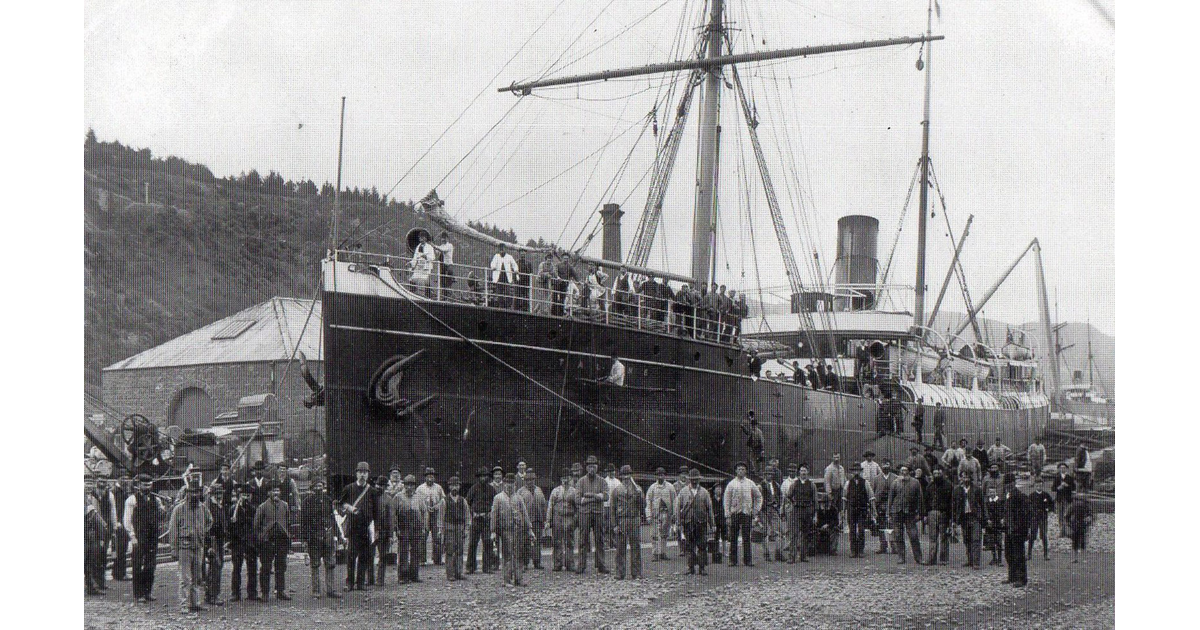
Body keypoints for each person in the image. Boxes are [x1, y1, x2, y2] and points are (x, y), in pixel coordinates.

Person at [169, 476, 214, 613]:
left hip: (198, 546)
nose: (194, 495)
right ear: (187, 493)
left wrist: (202, 531)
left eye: (196, 492)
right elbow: (173, 529)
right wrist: (174, 548)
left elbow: (210, 521)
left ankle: (195, 603)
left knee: (197, 577)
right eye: (191, 492)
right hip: (184, 547)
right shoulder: (179, 509)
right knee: (185, 578)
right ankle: (184, 604)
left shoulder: (203, 508)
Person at [300, 478, 343, 598]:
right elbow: (303, 522)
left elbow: (332, 518)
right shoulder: (306, 502)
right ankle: (316, 591)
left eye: (320, 486)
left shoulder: (328, 500)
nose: (318, 488)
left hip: (328, 537)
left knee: (330, 564)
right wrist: (305, 539)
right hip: (314, 538)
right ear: (312, 488)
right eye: (316, 486)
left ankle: (331, 590)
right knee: (315, 564)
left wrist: (338, 535)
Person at [124, 473, 162, 603]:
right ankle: (138, 594)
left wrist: (163, 509)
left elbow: (160, 516)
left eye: (149, 485)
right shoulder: (132, 500)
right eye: (145, 485)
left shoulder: (156, 500)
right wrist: (132, 536)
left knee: (150, 565)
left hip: (152, 537)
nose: (147, 487)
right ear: (139, 485)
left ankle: (147, 592)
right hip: (139, 536)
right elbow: (127, 520)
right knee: (137, 565)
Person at [491, 473, 534, 587]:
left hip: (518, 530)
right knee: (507, 555)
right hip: (505, 531)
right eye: (507, 483)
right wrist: (493, 531)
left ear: (515, 484)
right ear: (504, 484)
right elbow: (494, 515)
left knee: (519, 555)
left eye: (511, 483)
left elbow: (524, 514)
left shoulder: (519, 498)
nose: (509, 485)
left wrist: (529, 529)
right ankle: (507, 580)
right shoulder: (498, 498)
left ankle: (518, 579)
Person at [339, 461, 377, 590]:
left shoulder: (372, 491)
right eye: (360, 472)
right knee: (351, 556)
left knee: (364, 556)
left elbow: (376, 511)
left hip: (366, 528)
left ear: (368, 474)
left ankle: (360, 583)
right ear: (356, 473)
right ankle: (349, 583)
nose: (362, 475)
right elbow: (340, 503)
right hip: (353, 528)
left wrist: (375, 529)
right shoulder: (349, 488)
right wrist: (349, 507)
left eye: (365, 472)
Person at [253, 484, 291, 602]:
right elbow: (256, 525)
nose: (276, 493)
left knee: (281, 566)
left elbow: (288, 522)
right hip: (267, 541)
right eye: (273, 491)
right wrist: (261, 538)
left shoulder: (285, 505)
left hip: (281, 540)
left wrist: (287, 535)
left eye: (277, 490)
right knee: (266, 567)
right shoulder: (262, 507)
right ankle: (265, 593)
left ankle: (280, 591)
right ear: (269, 493)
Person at [608, 465, 645, 580]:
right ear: (621, 476)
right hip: (622, 520)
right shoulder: (616, 490)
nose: (626, 477)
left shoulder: (637, 489)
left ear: (631, 475)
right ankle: (620, 572)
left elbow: (643, 506)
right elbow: (612, 509)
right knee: (620, 547)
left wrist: (640, 495)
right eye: (624, 475)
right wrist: (614, 525)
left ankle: (636, 572)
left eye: (628, 475)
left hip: (634, 519)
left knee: (636, 546)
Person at [676, 469, 715, 575]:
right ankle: (691, 567)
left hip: (701, 522)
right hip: (688, 522)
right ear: (689, 479)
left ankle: (702, 567)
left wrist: (712, 524)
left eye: (696, 479)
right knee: (689, 546)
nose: (694, 481)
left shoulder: (704, 492)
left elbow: (709, 508)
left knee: (702, 545)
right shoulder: (683, 492)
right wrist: (678, 523)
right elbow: (678, 508)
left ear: (699, 480)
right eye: (692, 479)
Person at [725, 462, 763, 567]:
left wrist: (756, 510)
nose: (741, 471)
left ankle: (748, 560)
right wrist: (727, 515)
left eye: (743, 469)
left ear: (746, 471)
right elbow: (727, 500)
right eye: (739, 469)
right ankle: (733, 560)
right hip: (735, 513)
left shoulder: (750, 483)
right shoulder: (731, 484)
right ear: (736, 471)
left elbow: (759, 496)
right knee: (733, 537)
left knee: (746, 537)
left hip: (747, 513)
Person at [576, 455, 610, 574]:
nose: (592, 469)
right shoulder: (581, 481)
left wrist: (590, 495)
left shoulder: (602, 481)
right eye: (590, 466)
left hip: (598, 513)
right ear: (586, 468)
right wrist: (597, 497)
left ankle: (601, 565)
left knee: (600, 539)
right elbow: (578, 499)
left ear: (597, 467)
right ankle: (581, 565)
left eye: (594, 467)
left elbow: (606, 496)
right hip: (584, 514)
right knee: (583, 540)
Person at [888, 465, 924, 564]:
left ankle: (918, 557)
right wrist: (889, 513)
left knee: (913, 535)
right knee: (898, 535)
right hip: (897, 512)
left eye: (906, 470)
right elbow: (890, 499)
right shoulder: (895, 483)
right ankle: (901, 557)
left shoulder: (915, 483)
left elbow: (920, 498)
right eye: (902, 471)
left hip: (910, 513)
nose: (904, 472)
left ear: (909, 472)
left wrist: (920, 512)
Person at [466, 467, 498, 574]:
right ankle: (470, 567)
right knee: (472, 543)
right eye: (481, 476)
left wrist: (490, 514)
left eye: (485, 476)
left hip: (487, 520)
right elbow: (467, 503)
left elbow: (495, 504)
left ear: (488, 477)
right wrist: (472, 513)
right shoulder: (473, 488)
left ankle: (487, 567)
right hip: (476, 520)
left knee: (488, 543)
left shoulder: (492, 489)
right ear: (479, 477)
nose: (483, 478)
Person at [227, 483, 256, 601]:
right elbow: (230, 527)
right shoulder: (233, 509)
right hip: (237, 542)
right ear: (239, 496)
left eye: (248, 495)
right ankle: (235, 592)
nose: (246, 497)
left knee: (252, 568)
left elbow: (255, 525)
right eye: (243, 495)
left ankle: (252, 592)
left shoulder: (253, 509)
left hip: (250, 542)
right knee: (236, 568)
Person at [952, 471, 986, 569]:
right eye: (963, 477)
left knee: (976, 539)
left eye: (967, 477)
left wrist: (984, 518)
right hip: (963, 517)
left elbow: (982, 504)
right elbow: (954, 506)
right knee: (967, 539)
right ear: (961, 478)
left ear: (970, 478)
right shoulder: (957, 490)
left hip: (975, 516)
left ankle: (976, 562)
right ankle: (970, 559)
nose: (965, 479)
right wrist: (954, 520)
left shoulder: (977, 489)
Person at [547, 468, 579, 572]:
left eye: (567, 478)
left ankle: (570, 563)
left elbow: (578, 507)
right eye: (563, 478)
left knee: (569, 542)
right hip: (557, 518)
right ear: (561, 479)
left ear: (571, 479)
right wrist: (548, 520)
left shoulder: (574, 491)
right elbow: (550, 506)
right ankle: (558, 563)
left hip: (569, 518)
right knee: (557, 541)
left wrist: (576, 520)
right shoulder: (556, 491)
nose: (565, 480)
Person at [395, 475, 425, 583]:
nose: (409, 487)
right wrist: (396, 528)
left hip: (416, 527)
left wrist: (423, 527)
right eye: (407, 485)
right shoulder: (398, 497)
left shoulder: (419, 497)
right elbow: (394, 514)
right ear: (404, 485)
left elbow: (424, 512)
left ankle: (414, 575)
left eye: (411, 485)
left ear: (414, 486)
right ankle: (403, 576)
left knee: (416, 551)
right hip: (403, 527)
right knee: (403, 552)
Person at [204, 479, 229, 606]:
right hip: (212, 539)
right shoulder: (208, 506)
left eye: (221, 493)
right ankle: (213, 595)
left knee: (216, 566)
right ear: (212, 493)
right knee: (215, 566)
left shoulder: (218, 505)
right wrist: (209, 545)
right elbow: (207, 526)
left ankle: (211, 594)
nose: (220, 495)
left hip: (219, 539)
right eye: (217, 493)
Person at [414, 467, 446, 566]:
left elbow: (443, 500)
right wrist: (425, 507)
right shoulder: (420, 488)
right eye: (428, 476)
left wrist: (437, 506)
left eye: (432, 476)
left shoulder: (439, 488)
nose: (430, 478)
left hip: (436, 515)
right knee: (423, 536)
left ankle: (437, 559)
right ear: (425, 477)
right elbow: (416, 500)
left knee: (437, 537)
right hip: (424, 514)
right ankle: (422, 559)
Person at [1002, 473, 1030, 587]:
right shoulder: (1007, 496)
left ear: (1014, 483)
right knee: (1009, 554)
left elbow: (1025, 515)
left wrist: (1023, 529)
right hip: (1009, 529)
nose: (1008, 485)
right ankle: (1012, 576)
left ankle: (1021, 578)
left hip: (1018, 529)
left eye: (1010, 483)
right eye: (1006, 483)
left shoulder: (1019, 496)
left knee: (1019, 555)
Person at [785, 464, 817, 563]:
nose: (803, 473)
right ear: (799, 472)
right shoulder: (794, 484)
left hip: (807, 511)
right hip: (796, 510)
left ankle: (803, 556)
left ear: (808, 472)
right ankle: (792, 556)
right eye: (802, 471)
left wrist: (814, 514)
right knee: (794, 534)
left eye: (805, 471)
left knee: (805, 534)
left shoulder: (812, 485)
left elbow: (815, 500)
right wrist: (794, 503)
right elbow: (788, 495)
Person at [843, 464, 875, 558]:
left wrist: (873, 510)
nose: (856, 472)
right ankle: (853, 550)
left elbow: (871, 497)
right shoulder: (848, 483)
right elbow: (844, 498)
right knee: (852, 530)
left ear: (860, 472)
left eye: (858, 470)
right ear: (852, 472)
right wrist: (843, 511)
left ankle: (861, 550)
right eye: (854, 471)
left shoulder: (865, 483)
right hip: (851, 509)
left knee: (861, 529)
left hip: (862, 509)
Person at [441, 476, 470, 581]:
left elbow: (467, 516)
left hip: (460, 528)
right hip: (449, 528)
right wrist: (441, 530)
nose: (454, 488)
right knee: (449, 551)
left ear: (459, 487)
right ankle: (450, 574)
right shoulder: (444, 501)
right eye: (452, 485)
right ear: (449, 487)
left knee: (460, 550)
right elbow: (441, 516)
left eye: (456, 485)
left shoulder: (463, 500)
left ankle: (459, 572)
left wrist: (466, 529)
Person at [517, 470, 547, 570]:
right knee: (525, 542)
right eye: (528, 480)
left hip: (538, 520)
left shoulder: (539, 490)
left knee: (537, 541)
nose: (530, 482)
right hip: (525, 521)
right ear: (525, 481)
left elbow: (543, 505)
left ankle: (537, 562)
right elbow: (518, 507)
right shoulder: (520, 491)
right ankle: (525, 563)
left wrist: (544, 519)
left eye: (532, 479)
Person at [645, 467, 676, 561]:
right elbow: (648, 501)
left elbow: (674, 500)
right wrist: (648, 515)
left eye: (662, 475)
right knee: (654, 534)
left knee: (664, 534)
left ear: (664, 475)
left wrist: (674, 514)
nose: (660, 477)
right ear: (656, 476)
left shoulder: (670, 487)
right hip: (655, 514)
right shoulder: (652, 487)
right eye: (658, 475)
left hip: (666, 513)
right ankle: (655, 553)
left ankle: (663, 552)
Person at [925, 467, 954, 566]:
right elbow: (926, 501)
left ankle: (943, 559)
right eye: (935, 473)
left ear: (942, 474)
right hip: (932, 513)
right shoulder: (930, 486)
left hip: (944, 514)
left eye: (939, 473)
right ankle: (932, 558)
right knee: (932, 537)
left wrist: (950, 517)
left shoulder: (948, 485)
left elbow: (951, 502)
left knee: (944, 537)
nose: (937, 475)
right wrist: (926, 514)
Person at [85, 491, 109, 596]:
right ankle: (91, 587)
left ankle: (91, 587)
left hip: (88, 538)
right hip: (87, 538)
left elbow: (100, 523)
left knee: (89, 563)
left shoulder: (90, 509)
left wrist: (101, 538)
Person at [759, 466, 784, 562]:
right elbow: (758, 499)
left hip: (774, 510)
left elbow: (781, 496)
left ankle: (778, 553)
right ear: (764, 475)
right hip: (764, 510)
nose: (769, 476)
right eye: (767, 474)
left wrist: (778, 505)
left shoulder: (776, 485)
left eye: (771, 474)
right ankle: (766, 554)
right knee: (765, 532)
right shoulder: (760, 486)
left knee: (778, 531)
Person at [1027, 475, 1054, 561]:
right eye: (1037, 485)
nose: (1039, 487)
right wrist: (1031, 513)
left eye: (1040, 485)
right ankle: (1029, 554)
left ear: (1042, 486)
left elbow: (1052, 504)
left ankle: (1046, 554)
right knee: (1032, 536)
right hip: (1034, 518)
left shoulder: (1046, 495)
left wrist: (1048, 509)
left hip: (1043, 517)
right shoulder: (1031, 496)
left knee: (1044, 536)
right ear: (1035, 486)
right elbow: (1028, 506)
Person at [871, 462, 895, 554]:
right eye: (884, 465)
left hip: (892, 505)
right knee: (881, 526)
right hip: (880, 505)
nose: (885, 467)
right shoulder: (876, 479)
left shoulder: (895, 478)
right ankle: (883, 546)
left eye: (887, 465)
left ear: (890, 466)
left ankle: (894, 546)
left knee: (892, 526)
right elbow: (873, 492)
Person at [110, 475, 130, 582]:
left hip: (123, 522)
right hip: (120, 524)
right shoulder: (116, 492)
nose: (126, 480)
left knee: (121, 549)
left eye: (127, 478)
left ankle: (118, 572)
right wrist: (117, 522)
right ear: (119, 479)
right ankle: (120, 573)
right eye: (124, 478)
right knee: (121, 549)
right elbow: (116, 508)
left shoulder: (121, 491)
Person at [983, 476, 1006, 567]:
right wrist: (987, 519)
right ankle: (994, 558)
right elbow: (985, 512)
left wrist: (1002, 518)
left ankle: (1000, 559)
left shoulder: (999, 501)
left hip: (998, 523)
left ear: (996, 492)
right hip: (990, 523)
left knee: (999, 541)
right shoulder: (986, 502)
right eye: (990, 492)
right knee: (991, 542)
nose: (992, 493)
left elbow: (1003, 511)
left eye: (993, 492)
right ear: (988, 493)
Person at [1064, 495, 1093, 563]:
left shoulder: (1073, 505)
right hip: (1080, 525)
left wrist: (1068, 524)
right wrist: (1089, 521)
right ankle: (1082, 558)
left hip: (1077, 525)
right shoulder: (1085, 505)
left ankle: (1076, 558)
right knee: (1080, 542)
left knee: (1076, 542)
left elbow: (1066, 516)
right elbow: (1091, 515)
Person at [489, 243, 518, 308]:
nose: (501, 250)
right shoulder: (496, 256)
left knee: (507, 292)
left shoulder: (509, 257)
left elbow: (514, 264)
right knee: (499, 292)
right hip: (499, 278)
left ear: (505, 249)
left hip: (506, 278)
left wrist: (516, 270)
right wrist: (493, 267)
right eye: (500, 248)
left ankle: (508, 306)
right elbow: (492, 263)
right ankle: (500, 306)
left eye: (503, 248)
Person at [1052, 463, 1077, 536]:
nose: (1062, 469)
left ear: (1066, 469)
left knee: (1067, 515)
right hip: (1059, 499)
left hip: (1067, 499)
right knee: (1060, 515)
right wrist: (1058, 487)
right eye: (1061, 468)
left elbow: (1074, 488)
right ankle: (1061, 531)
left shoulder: (1070, 478)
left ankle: (1067, 531)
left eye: (1064, 468)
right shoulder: (1057, 478)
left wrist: (1067, 486)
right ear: (1059, 469)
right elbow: (1053, 488)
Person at [409, 231, 437, 298]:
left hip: (426, 267)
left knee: (423, 281)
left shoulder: (429, 247)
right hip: (418, 267)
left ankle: (425, 295)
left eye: (422, 237)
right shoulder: (418, 247)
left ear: (425, 238)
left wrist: (426, 257)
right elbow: (415, 257)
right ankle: (412, 293)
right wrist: (411, 264)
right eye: (419, 237)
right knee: (412, 279)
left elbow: (433, 257)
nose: (420, 238)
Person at [741, 411, 766, 476]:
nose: (753, 426)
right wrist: (743, 427)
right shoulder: (752, 430)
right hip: (753, 448)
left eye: (754, 425)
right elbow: (747, 433)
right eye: (752, 425)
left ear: (755, 425)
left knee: (758, 461)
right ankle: (753, 471)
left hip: (758, 448)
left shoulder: (759, 432)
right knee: (750, 459)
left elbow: (762, 441)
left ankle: (759, 473)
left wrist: (762, 450)